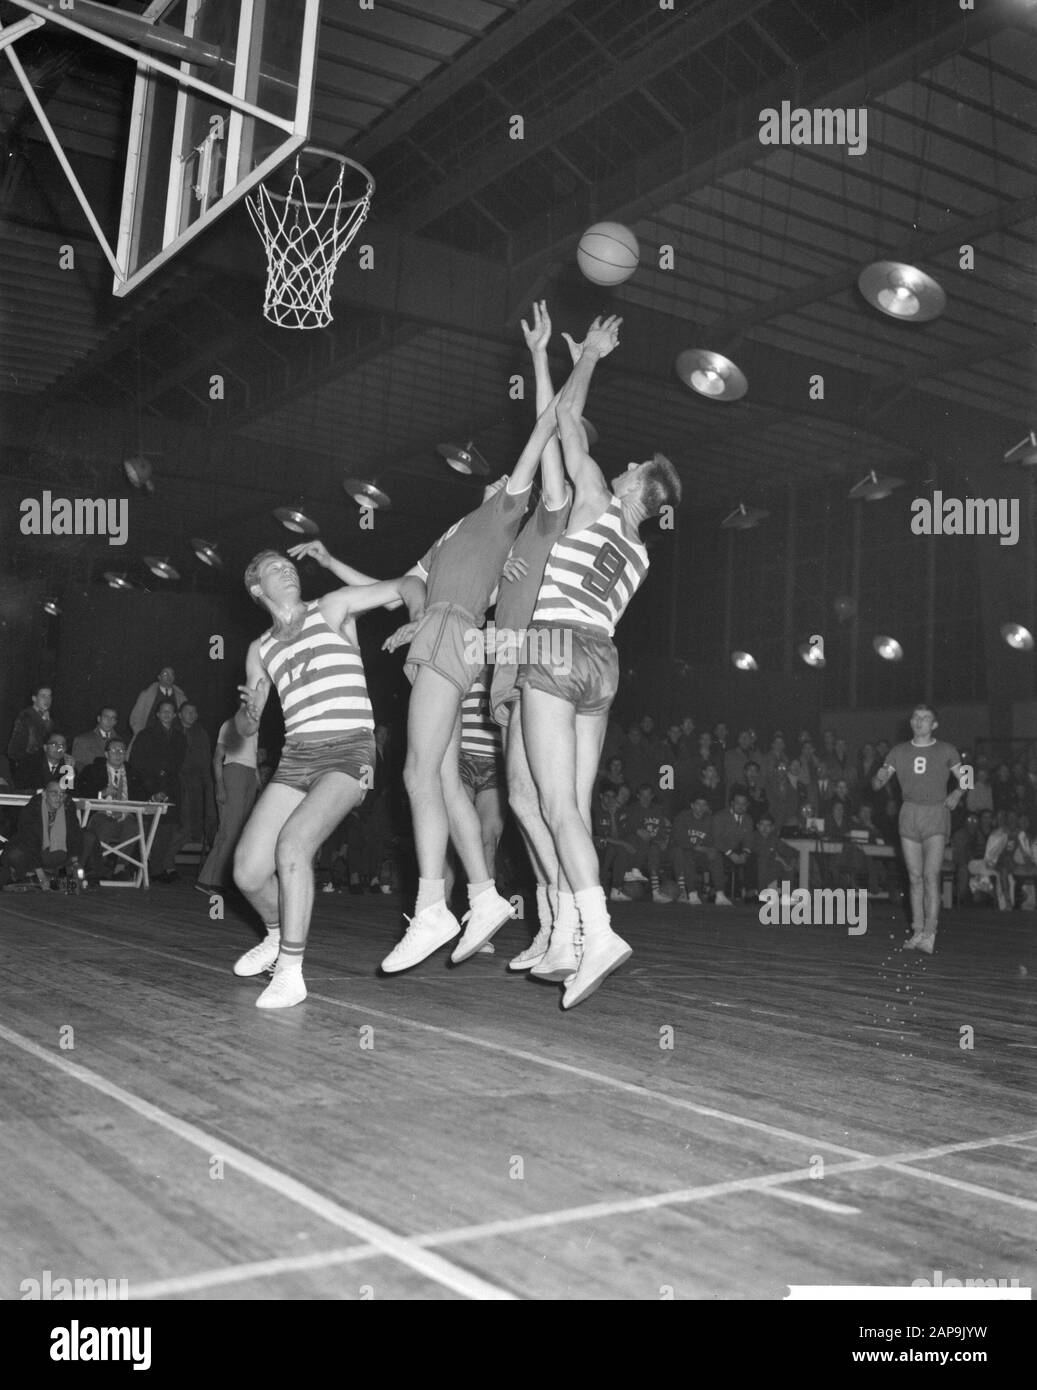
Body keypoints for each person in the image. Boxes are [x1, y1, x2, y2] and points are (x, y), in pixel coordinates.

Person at [378, 308, 589, 975]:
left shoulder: (504, 509)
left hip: (456, 634)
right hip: (448, 638)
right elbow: (403, 585)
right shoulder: (459, 533)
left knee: (416, 774)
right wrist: (413, 611)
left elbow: (541, 431)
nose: (500, 477)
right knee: (436, 779)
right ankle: (483, 896)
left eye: (509, 479)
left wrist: (544, 355)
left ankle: (440, 904)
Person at [517, 314, 682, 1006]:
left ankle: (597, 931)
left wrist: (588, 356)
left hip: (554, 642)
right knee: (572, 809)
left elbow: (566, 419)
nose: (618, 465)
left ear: (632, 488)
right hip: (603, 662)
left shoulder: (592, 501)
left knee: (554, 807)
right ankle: (574, 934)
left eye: (630, 468)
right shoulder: (640, 552)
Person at [230, 550, 424, 1008]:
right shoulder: (260, 648)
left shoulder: (332, 607)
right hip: (297, 757)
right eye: (276, 569)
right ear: (258, 590)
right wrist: (249, 714)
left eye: (290, 565)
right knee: (247, 871)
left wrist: (418, 617)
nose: (288, 570)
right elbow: (245, 727)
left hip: (349, 750)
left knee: (295, 843)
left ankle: (291, 972)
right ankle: (277, 936)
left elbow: (404, 584)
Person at [872, 704, 968, 952]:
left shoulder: (946, 749)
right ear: (911, 721)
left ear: (934, 725)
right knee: (914, 878)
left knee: (930, 875)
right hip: (909, 813)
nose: (919, 721)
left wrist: (958, 792)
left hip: (935, 812)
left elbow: (966, 774)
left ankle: (930, 932)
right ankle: (917, 930)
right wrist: (878, 779)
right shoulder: (899, 751)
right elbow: (878, 782)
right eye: (916, 717)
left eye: (925, 718)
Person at [130, 700, 187, 882]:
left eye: (171, 711)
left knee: (167, 830)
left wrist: (166, 790)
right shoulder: (145, 735)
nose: (167, 714)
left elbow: (178, 765)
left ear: (176, 714)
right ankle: (139, 867)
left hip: (170, 789)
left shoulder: (180, 737)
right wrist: (153, 790)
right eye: (163, 711)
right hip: (148, 789)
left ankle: (157, 869)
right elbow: (137, 766)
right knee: (148, 829)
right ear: (157, 714)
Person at [76, 738, 148, 880]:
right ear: (106, 754)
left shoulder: (134, 773)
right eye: (114, 750)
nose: (118, 754)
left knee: (135, 827)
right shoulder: (92, 770)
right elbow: (80, 793)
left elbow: (143, 795)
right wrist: (101, 793)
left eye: (121, 750)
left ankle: (120, 868)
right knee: (106, 826)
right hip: (101, 814)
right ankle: (97, 866)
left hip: (126, 815)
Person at [0, 780, 89, 890]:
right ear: (44, 794)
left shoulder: (68, 808)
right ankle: (36, 876)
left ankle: (64, 875)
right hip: (35, 854)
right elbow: (30, 842)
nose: (59, 797)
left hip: (59, 854)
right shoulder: (31, 810)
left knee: (88, 837)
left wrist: (76, 863)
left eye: (62, 794)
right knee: (15, 855)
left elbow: (75, 835)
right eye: (54, 793)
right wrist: (40, 874)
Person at [178, 702, 214, 850]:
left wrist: (207, 781)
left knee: (197, 810)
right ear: (179, 714)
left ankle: (196, 841)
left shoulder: (201, 733)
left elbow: (206, 758)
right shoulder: (173, 730)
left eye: (194, 712)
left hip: (196, 779)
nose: (191, 715)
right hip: (178, 778)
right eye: (188, 712)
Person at [6, 685, 54, 782]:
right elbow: (15, 748)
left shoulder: (49, 720)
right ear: (34, 698)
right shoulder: (26, 716)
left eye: (49, 696)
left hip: (40, 767)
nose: (47, 700)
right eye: (43, 696)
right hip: (26, 767)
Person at [129, 665, 187, 738]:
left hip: (174, 740)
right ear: (159, 677)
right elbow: (135, 718)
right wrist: (141, 735)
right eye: (165, 674)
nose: (169, 676)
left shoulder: (181, 698)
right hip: (149, 739)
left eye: (172, 674)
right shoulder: (146, 695)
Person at [71, 708, 125, 773]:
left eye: (113, 718)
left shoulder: (121, 742)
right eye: (106, 717)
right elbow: (77, 764)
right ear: (99, 719)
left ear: (115, 722)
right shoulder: (82, 740)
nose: (109, 721)